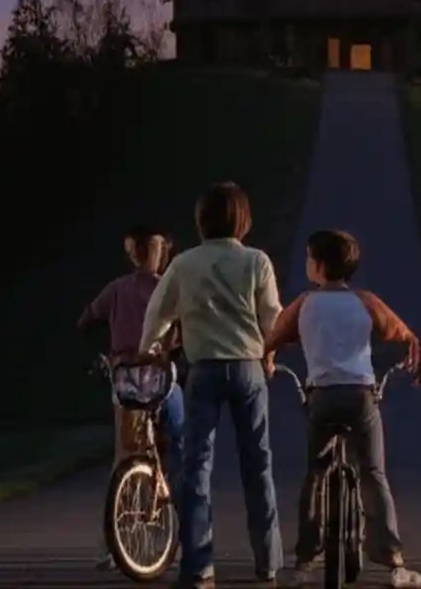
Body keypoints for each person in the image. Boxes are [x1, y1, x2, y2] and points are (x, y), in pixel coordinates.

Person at [139, 182, 284, 589]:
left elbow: (159, 313)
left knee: (196, 467)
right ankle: (268, 561)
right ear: (244, 219)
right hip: (247, 369)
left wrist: (149, 349)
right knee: (258, 464)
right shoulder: (257, 262)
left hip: (202, 370)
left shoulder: (183, 263)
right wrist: (269, 354)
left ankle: (200, 565)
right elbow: (271, 319)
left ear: (201, 219)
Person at [263, 230, 421, 588]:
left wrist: (269, 360)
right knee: (373, 472)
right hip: (360, 396)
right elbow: (402, 334)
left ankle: (304, 560)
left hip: (321, 397)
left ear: (318, 266)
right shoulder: (365, 302)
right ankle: (395, 562)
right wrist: (415, 355)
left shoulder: (305, 303)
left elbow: (271, 339)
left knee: (315, 474)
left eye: (309, 258)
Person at [78, 225, 186, 571]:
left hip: (124, 379)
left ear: (132, 254)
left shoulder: (115, 289)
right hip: (159, 376)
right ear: (160, 254)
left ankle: (111, 543)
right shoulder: (166, 288)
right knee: (182, 445)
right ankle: (179, 527)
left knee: (123, 455)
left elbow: (86, 320)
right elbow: (182, 328)